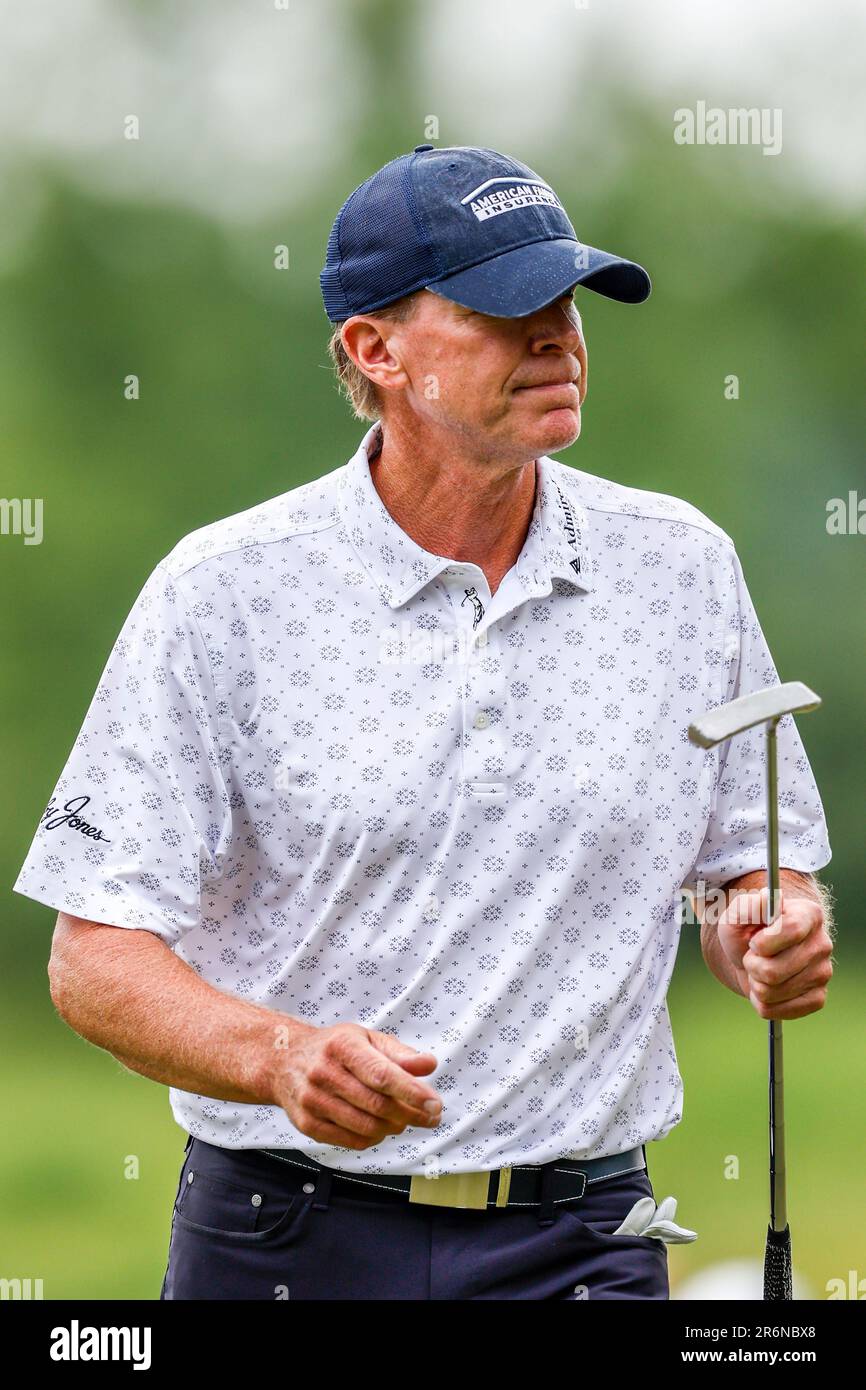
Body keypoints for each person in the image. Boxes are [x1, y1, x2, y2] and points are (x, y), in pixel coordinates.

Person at [14, 145, 834, 1301]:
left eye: (567, 302)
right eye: (506, 309)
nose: (555, 335)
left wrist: (767, 919)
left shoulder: (683, 568)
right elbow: (93, 959)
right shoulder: (222, 592)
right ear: (373, 349)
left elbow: (739, 869)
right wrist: (279, 1055)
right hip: (284, 1237)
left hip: (586, 1235)